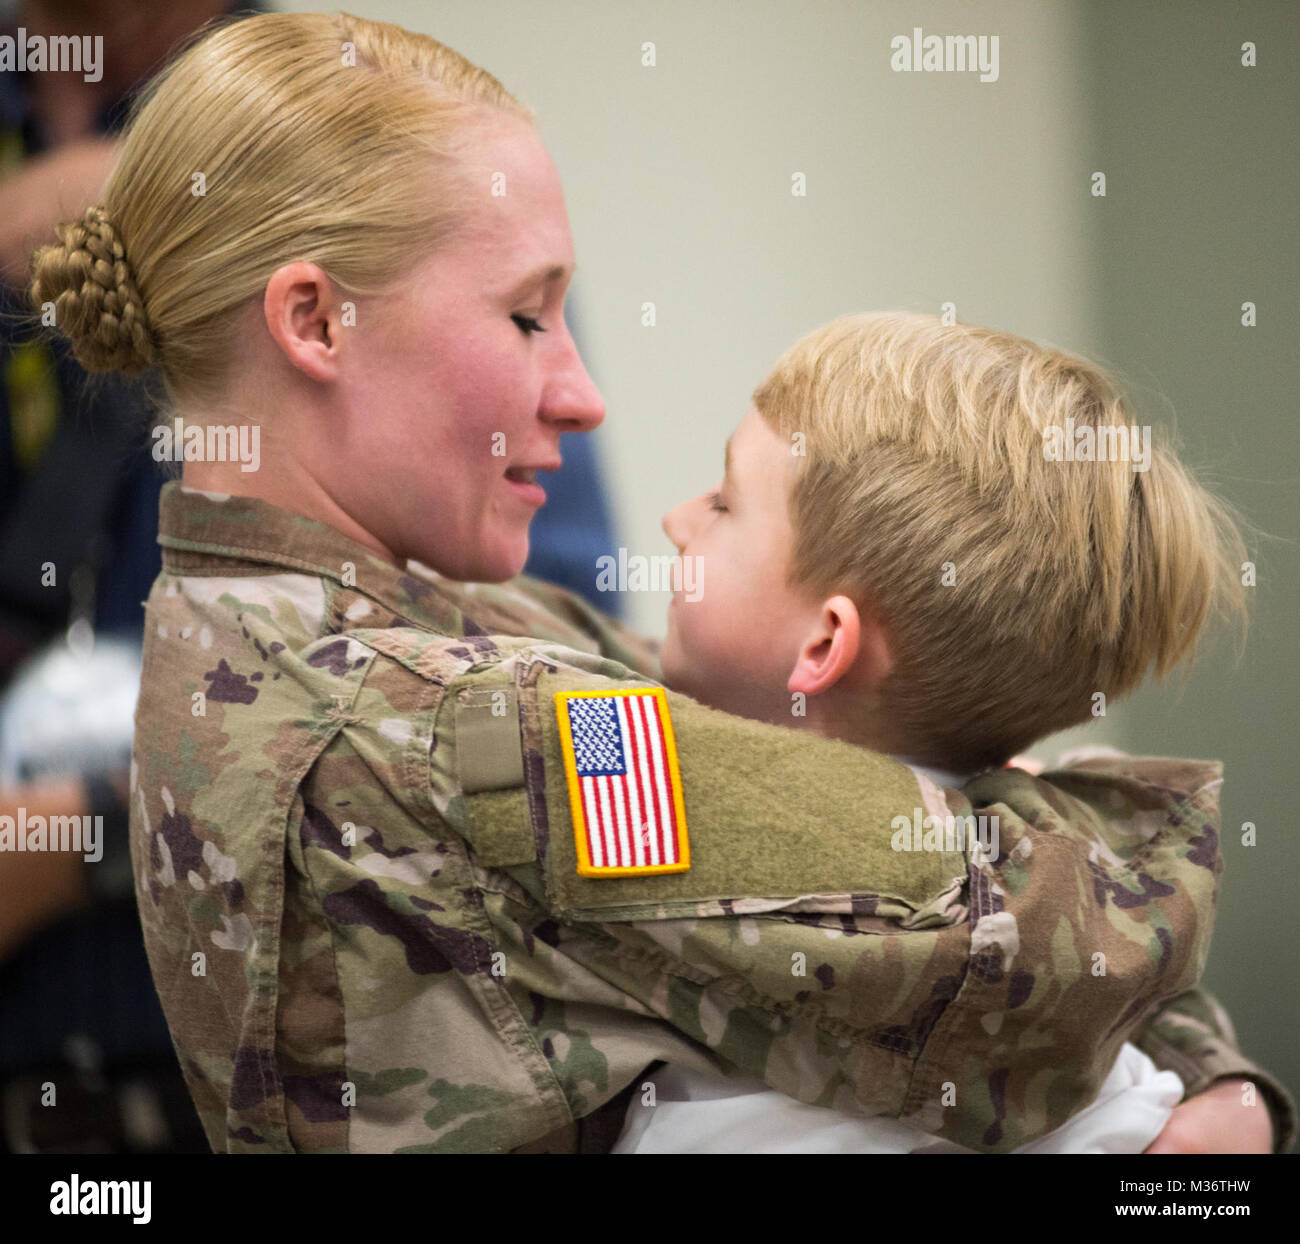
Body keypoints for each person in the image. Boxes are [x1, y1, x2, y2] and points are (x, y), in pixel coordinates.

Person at [26, 12, 1290, 1153]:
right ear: (314, 323)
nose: (580, 393)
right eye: (527, 315)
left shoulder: (381, 629)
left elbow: (885, 778)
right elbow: (1042, 948)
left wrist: (1209, 1082)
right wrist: (1216, 1106)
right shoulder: (459, 729)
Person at [617, 311, 1295, 1151]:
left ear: (824, 642)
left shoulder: (644, 835)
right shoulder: (1105, 1070)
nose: (678, 520)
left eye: (724, 503)